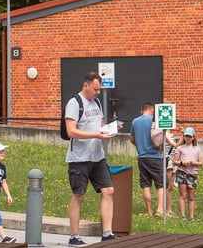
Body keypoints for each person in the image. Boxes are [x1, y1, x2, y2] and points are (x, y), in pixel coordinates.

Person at [64, 72, 117, 245]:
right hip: (79, 158)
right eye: (95, 89)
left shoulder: (97, 102)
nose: (97, 93)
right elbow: (71, 131)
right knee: (79, 195)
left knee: (109, 191)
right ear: (85, 85)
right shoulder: (74, 103)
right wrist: (96, 134)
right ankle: (74, 235)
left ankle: (107, 233)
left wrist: (109, 129)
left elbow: (100, 125)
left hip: (97, 156)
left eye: (99, 90)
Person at [129, 102, 170, 217]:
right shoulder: (154, 121)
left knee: (146, 184)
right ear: (152, 110)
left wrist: (140, 145)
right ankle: (160, 210)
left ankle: (149, 211)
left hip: (142, 158)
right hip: (155, 156)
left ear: (142, 110)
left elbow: (132, 139)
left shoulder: (135, 121)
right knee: (161, 183)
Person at [173, 126, 203, 221]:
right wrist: (182, 163)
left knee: (191, 197)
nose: (187, 138)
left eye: (189, 136)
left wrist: (195, 163)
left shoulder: (197, 149)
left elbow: (201, 163)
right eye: (186, 136)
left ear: (193, 137)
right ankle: (183, 216)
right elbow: (175, 161)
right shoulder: (180, 148)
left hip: (192, 174)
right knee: (182, 195)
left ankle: (191, 216)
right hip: (182, 172)